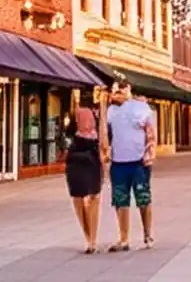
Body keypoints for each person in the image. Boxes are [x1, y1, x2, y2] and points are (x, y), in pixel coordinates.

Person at [105, 82, 156, 252]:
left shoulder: (140, 107)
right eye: (114, 90)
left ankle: (147, 234)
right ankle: (124, 237)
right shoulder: (110, 110)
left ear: (129, 90)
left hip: (138, 161)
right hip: (118, 161)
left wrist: (150, 152)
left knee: (143, 198)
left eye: (121, 89)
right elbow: (106, 133)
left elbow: (150, 131)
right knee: (120, 200)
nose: (117, 93)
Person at [64, 92, 104, 253]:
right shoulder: (77, 125)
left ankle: (90, 239)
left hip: (84, 166)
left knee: (84, 201)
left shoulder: (96, 125)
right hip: (82, 166)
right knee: (86, 201)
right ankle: (90, 239)